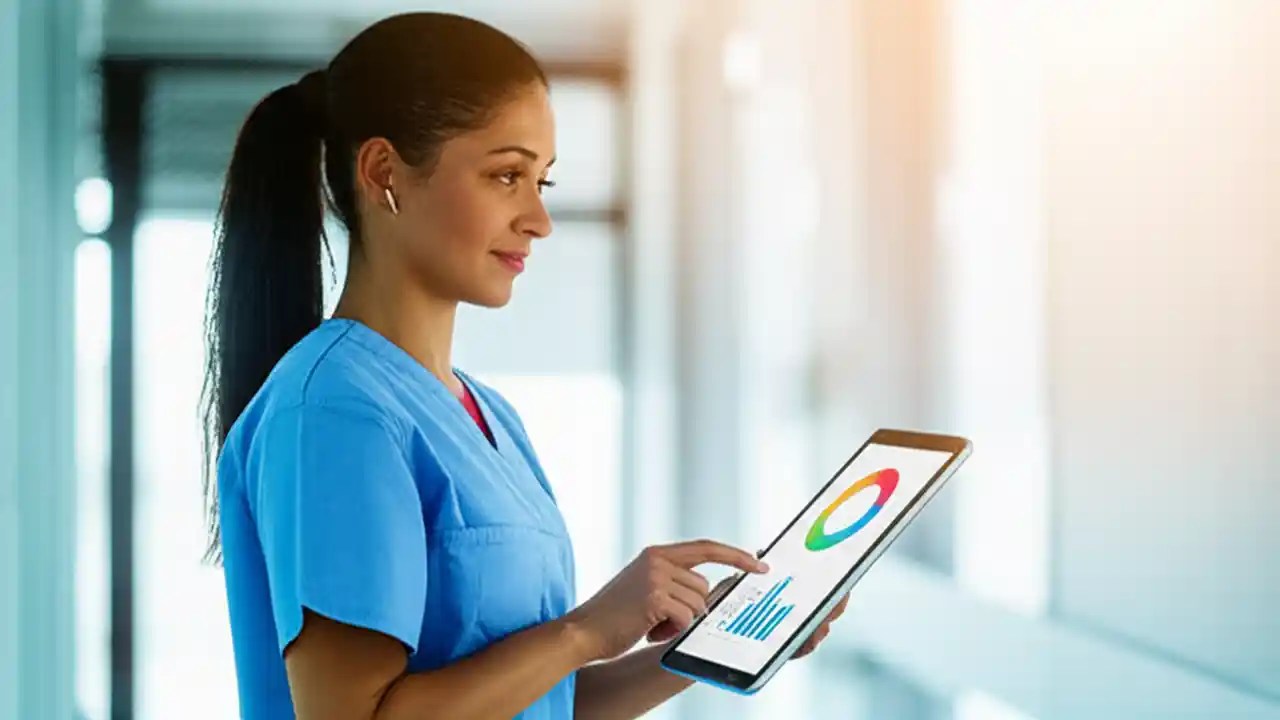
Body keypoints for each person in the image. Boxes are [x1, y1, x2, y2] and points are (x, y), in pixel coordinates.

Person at [202, 12, 847, 720]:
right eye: (507, 175)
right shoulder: (334, 410)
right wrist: (583, 631)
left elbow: (544, 704)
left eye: (543, 181)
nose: (538, 218)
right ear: (384, 173)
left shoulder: (487, 417)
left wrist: (706, 642)